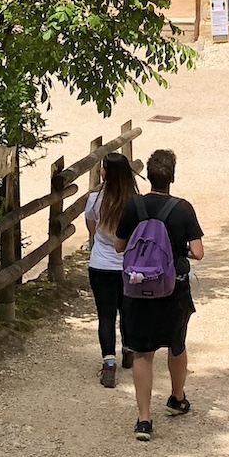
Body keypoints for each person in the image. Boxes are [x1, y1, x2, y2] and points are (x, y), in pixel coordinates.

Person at [114, 148, 204, 441]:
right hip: (173, 289)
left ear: (149, 176)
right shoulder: (182, 209)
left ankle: (144, 419)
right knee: (176, 345)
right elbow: (198, 252)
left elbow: (119, 246)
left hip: (138, 288)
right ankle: (177, 397)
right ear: (172, 178)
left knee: (142, 352)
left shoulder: (134, 206)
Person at [85, 151, 138, 387]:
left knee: (106, 315)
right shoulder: (135, 202)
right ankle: (128, 347)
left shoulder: (95, 200)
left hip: (101, 263)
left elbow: (91, 229)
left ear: (107, 172)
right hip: (129, 265)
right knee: (128, 310)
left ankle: (108, 362)